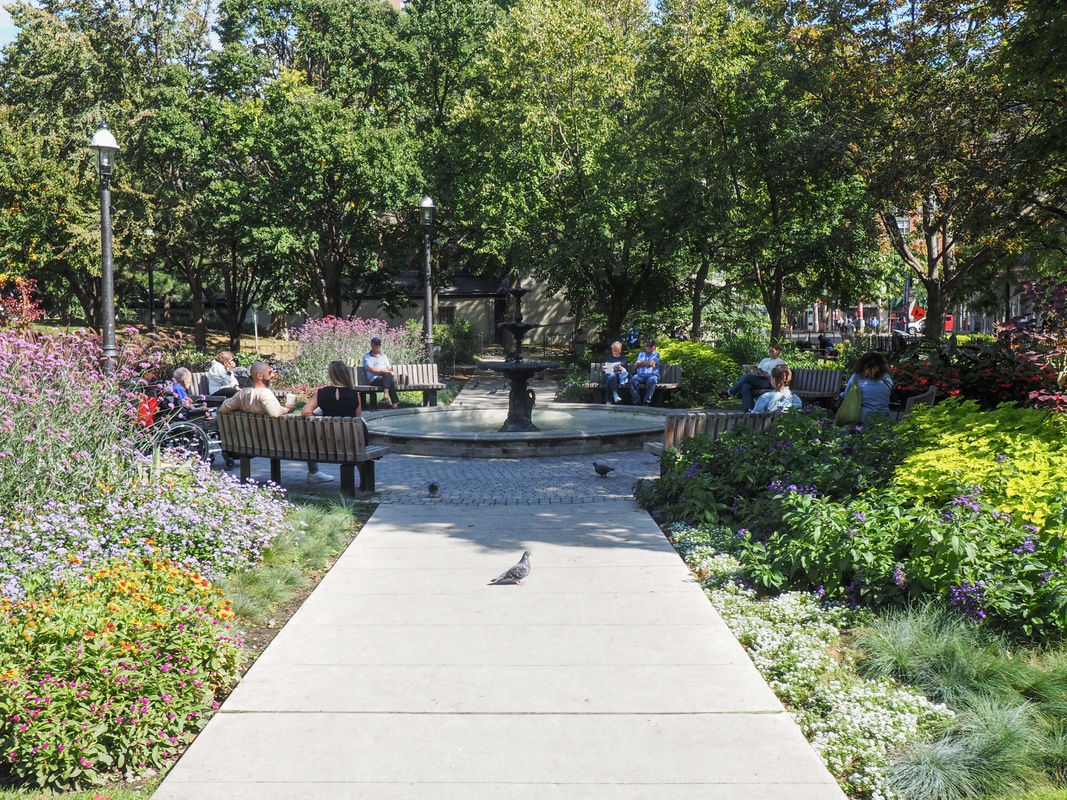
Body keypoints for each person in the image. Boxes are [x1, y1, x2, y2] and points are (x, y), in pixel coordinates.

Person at [220, 362, 329, 483]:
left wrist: (244, 409)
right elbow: (275, 413)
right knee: (307, 433)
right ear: (260, 376)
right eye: (270, 372)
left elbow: (223, 408)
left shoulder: (242, 395)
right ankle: (314, 472)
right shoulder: (265, 393)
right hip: (277, 444)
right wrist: (288, 409)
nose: (273, 375)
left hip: (248, 443)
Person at [723, 344, 786, 412]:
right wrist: (756, 372)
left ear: (777, 351)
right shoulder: (765, 360)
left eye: (772, 351)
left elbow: (778, 375)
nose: (770, 353)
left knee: (747, 377)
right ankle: (749, 409)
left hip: (770, 382)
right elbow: (758, 370)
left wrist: (767, 374)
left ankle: (730, 392)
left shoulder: (780, 362)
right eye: (769, 351)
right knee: (746, 386)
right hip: (760, 380)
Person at [841, 351, 894, 421]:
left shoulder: (857, 377)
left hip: (862, 417)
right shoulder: (887, 377)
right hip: (884, 417)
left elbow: (847, 394)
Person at [362, 336, 400, 409]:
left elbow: (389, 368)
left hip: (385, 379)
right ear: (372, 345)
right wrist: (384, 371)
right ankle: (394, 403)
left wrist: (386, 372)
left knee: (388, 377)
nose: (378, 346)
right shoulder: (367, 357)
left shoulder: (383, 356)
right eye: (376, 344)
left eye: (379, 344)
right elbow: (372, 370)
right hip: (374, 380)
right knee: (389, 378)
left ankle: (386, 397)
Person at [629, 339, 660, 406]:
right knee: (632, 380)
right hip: (640, 375)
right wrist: (646, 363)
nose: (648, 347)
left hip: (651, 375)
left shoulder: (656, 354)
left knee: (652, 381)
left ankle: (646, 402)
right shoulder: (641, 354)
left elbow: (651, 363)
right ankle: (637, 402)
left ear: (654, 347)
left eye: (650, 346)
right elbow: (637, 365)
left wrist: (641, 363)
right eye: (647, 345)